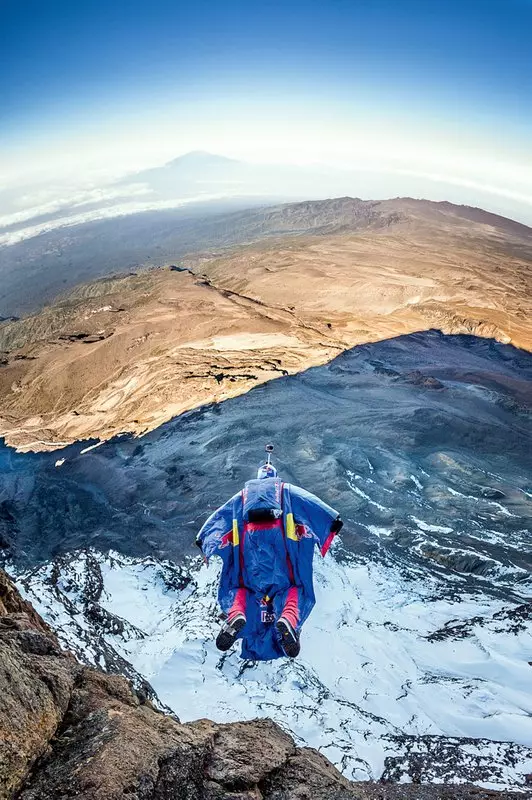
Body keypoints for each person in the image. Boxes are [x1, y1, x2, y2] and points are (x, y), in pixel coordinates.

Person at [195, 448, 343, 660]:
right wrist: (333, 521)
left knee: (240, 590)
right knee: (295, 591)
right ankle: (289, 620)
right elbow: (312, 503)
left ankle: (236, 614)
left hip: (249, 562)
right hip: (282, 560)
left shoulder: (240, 499)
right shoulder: (287, 492)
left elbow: (219, 517)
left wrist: (203, 539)